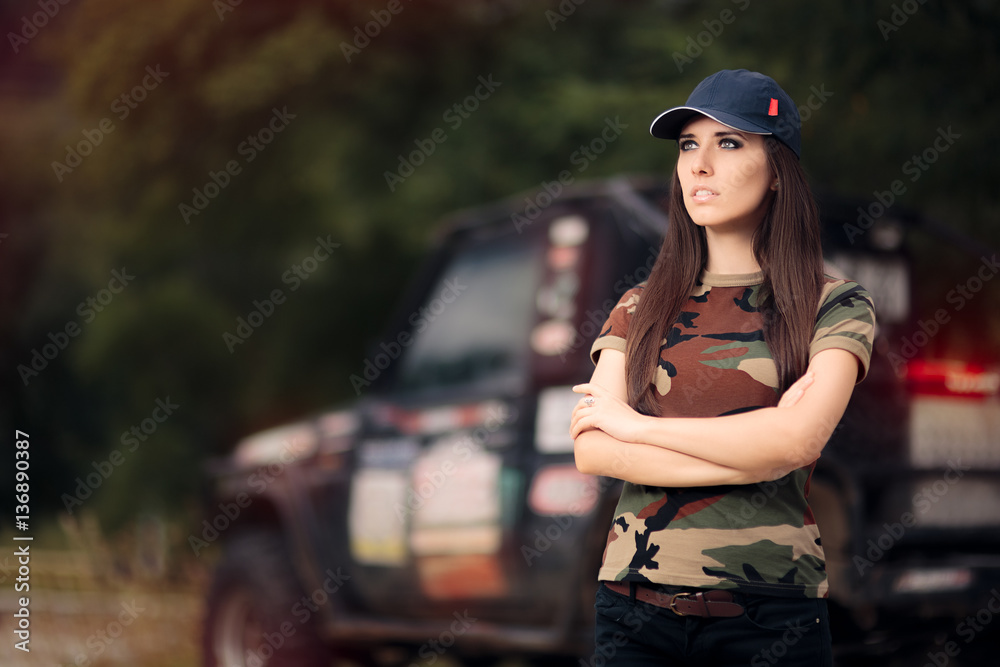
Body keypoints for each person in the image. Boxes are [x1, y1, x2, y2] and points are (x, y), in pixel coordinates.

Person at [569, 69, 876, 666]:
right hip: (634, 613)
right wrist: (754, 448)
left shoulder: (833, 304)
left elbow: (797, 439)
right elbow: (593, 450)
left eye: (729, 143)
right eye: (689, 145)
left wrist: (637, 427)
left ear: (779, 171)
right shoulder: (640, 304)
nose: (699, 165)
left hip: (768, 615)